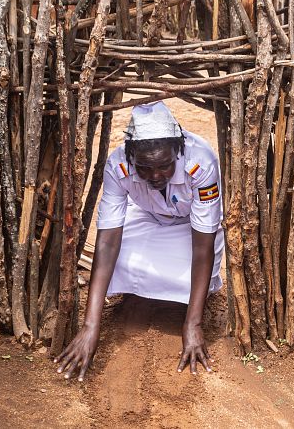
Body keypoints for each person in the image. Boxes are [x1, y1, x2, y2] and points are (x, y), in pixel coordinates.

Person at [54, 101, 224, 381]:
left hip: (191, 228)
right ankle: (139, 291)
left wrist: (192, 324)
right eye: (144, 168)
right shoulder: (117, 164)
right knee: (117, 262)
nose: (155, 176)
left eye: (165, 166)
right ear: (131, 156)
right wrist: (90, 326)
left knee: (190, 280)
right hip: (146, 217)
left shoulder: (201, 161)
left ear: (179, 150)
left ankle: (181, 304)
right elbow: (107, 241)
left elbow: (202, 246)